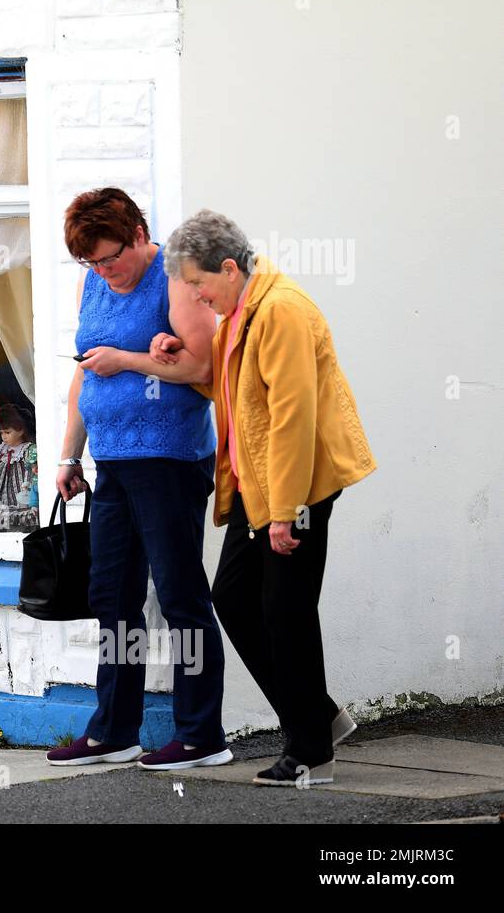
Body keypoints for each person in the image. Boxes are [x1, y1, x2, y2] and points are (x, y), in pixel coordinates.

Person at [151, 209, 376, 785]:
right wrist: (185, 364)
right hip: (261, 484)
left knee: (286, 612)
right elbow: (238, 391)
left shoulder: (280, 311)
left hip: (294, 487)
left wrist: (286, 512)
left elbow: (292, 419)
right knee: (235, 598)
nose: (199, 299)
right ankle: (318, 719)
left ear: (229, 268)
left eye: (200, 285)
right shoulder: (242, 311)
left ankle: (311, 753)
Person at [47, 189, 231, 771]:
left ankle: (203, 735)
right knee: (112, 597)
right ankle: (114, 729)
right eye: (93, 263)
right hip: (113, 462)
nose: (106, 271)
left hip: (170, 459)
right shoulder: (93, 286)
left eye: (111, 258)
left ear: (137, 234)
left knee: (179, 595)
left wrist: (126, 360)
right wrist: (69, 456)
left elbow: (202, 365)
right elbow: (84, 376)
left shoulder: (173, 278)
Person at [0, 404, 39, 532]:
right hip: (4, 491)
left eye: (8, 432)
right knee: (6, 514)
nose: (4, 436)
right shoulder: (3, 449)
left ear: (21, 430)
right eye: (2, 432)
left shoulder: (28, 449)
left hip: (22, 490)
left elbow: (35, 469)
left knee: (23, 513)